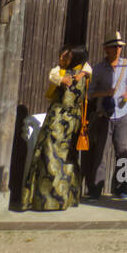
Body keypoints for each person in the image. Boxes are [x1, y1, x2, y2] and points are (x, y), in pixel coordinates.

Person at [21, 46, 90, 212]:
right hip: (66, 120)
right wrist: (64, 78)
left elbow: (85, 68)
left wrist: (72, 76)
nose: (63, 59)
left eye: (67, 56)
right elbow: (55, 74)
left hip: (63, 119)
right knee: (58, 156)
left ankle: (51, 198)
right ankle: (61, 197)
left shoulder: (77, 72)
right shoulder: (69, 72)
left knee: (55, 156)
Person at [85, 30, 127, 201]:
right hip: (103, 115)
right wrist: (104, 93)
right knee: (101, 152)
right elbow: (89, 93)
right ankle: (96, 189)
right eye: (115, 46)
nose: (118, 49)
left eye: (119, 46)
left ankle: (123, 188)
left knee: (122, 151)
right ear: (106, 49)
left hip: (122, 113)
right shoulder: (98, 69)